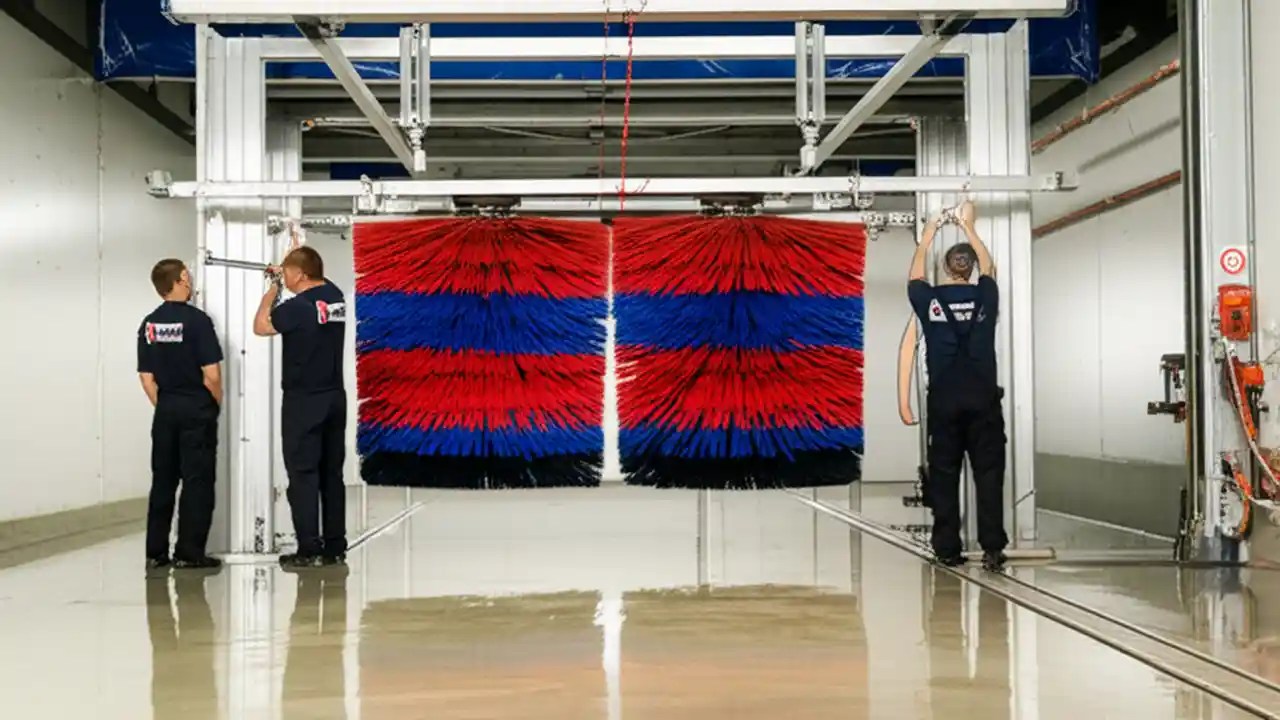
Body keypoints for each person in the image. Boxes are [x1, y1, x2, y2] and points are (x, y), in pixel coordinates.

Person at [907, 200, 1008, 571]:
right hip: (983, 403)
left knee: (945, 477)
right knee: (989, 475)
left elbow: (914, 278)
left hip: (945, 404)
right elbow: (990, 268)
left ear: (946, 268)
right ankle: (993, 549)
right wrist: (969, 227)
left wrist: (928, 234)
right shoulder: (986, 295)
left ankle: (947, 548)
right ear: (969, 269)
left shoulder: (931, 301)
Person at [254, 246, 349, 568]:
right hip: (335, 398)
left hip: (303, 401)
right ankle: (335, 545)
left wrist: (272, 289)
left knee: (303, 474)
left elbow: (261, 325)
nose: (285, 276)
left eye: (288, 272)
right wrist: (291, 257)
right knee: (331, 474)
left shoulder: (297, 307)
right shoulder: (335, 296)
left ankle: (308, 548)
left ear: (300, 275)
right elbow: (314, 272)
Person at [137, 259, 223, 571]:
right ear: (183, 278)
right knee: (197, 481)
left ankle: (156, 553)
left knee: (163, 480)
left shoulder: (149, 324)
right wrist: (215, 404)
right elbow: (211, 375)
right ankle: (189, 553)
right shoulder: (198, 321)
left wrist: (165, 405)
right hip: (196, 408)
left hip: (166, 409)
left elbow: (146, 378)